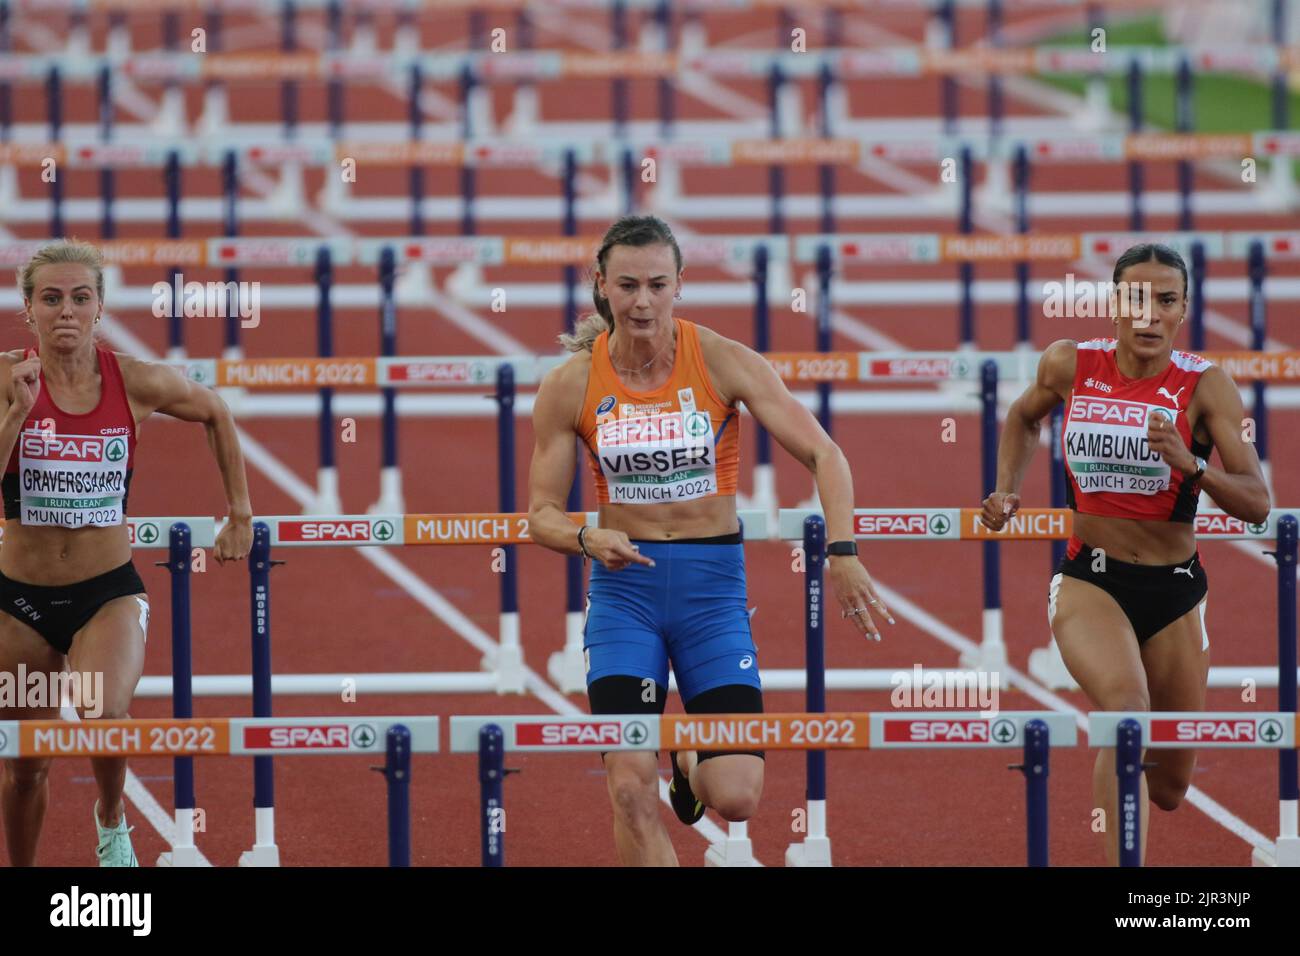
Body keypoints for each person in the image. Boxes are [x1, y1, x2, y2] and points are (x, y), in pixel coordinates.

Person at [527, 215, 893, 866]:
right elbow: (541, 514)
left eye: (657, 285)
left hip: (711, 596)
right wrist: (587, 538)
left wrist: (843, 553)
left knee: (739, 797)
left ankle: (691, 759)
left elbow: (825, 454)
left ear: (680, 286)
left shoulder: (720, 360)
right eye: (629, 285)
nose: (643, 301)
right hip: (624, 596)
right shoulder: (571, 384)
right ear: (602, 286)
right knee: (631, 790)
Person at [980, 243, 1269, 865]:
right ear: (1116, 303)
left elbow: (1257, 502)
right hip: (1092, 579)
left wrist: (1192, 466)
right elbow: (1024, 418)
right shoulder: (1069, 364)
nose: (1150, 314)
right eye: (1137, 298)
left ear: (1182, 310)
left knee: (1167, 786)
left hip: (1176, 590)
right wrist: (1007, 487)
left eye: (1165, 301)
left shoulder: (1207, 388)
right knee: (1126, 714)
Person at [0, 240, 254, 866]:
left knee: (104, 712)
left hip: (104, 591)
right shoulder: (5, 379)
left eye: (80, 298)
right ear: (28, 310)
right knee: (26, 765)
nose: (67, 312)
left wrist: (239, 512)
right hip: (17, 603)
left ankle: (112, 820)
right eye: (51, 298)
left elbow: (215, 411)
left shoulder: (134, 381)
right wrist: (17, 414)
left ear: (100, 307)